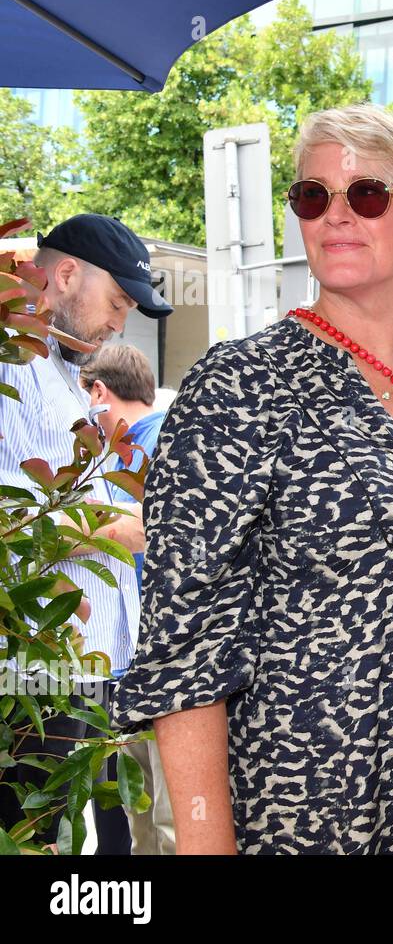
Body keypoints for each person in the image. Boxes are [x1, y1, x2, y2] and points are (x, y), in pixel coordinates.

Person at [110, 103, 393, 854]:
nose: (335, 216)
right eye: (312, 196)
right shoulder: (238, 386)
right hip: (305, 818)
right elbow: (184, 646)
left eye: (366, 194)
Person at [0, 215, 172, 850]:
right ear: (66, 274)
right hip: (32, 676)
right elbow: (14, 521)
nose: (119, 324)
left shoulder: (62, 374)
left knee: (98, 846)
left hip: (89, 672)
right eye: (117, 303)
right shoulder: (11, 369)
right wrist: (137, 526)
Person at [79, 344, 173, 854]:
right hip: (128, 659)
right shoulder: (118, 452)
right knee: (131, 816)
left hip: (151, 654)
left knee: (157, 818)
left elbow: (151, 534)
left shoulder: (154, 443)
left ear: (99, 392)